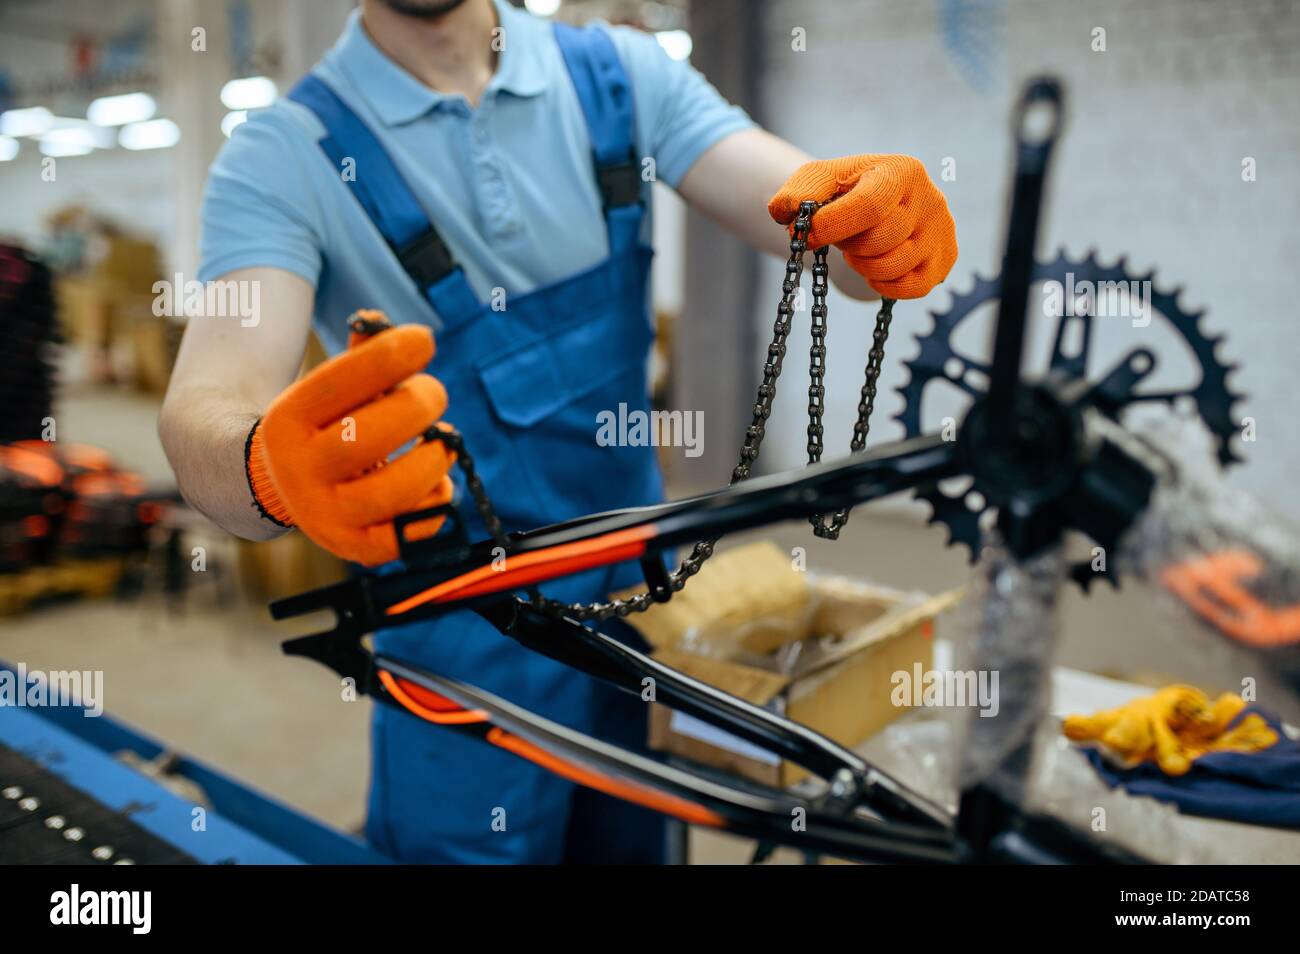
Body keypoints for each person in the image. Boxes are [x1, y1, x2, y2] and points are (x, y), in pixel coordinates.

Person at [158, 0, 958, 863]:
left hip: (636, 616)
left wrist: (872, 224)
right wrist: (262, 470)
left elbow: (812, 215)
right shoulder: (285, 154)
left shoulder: (623, 79)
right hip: (459, 651)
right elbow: (208, 400)